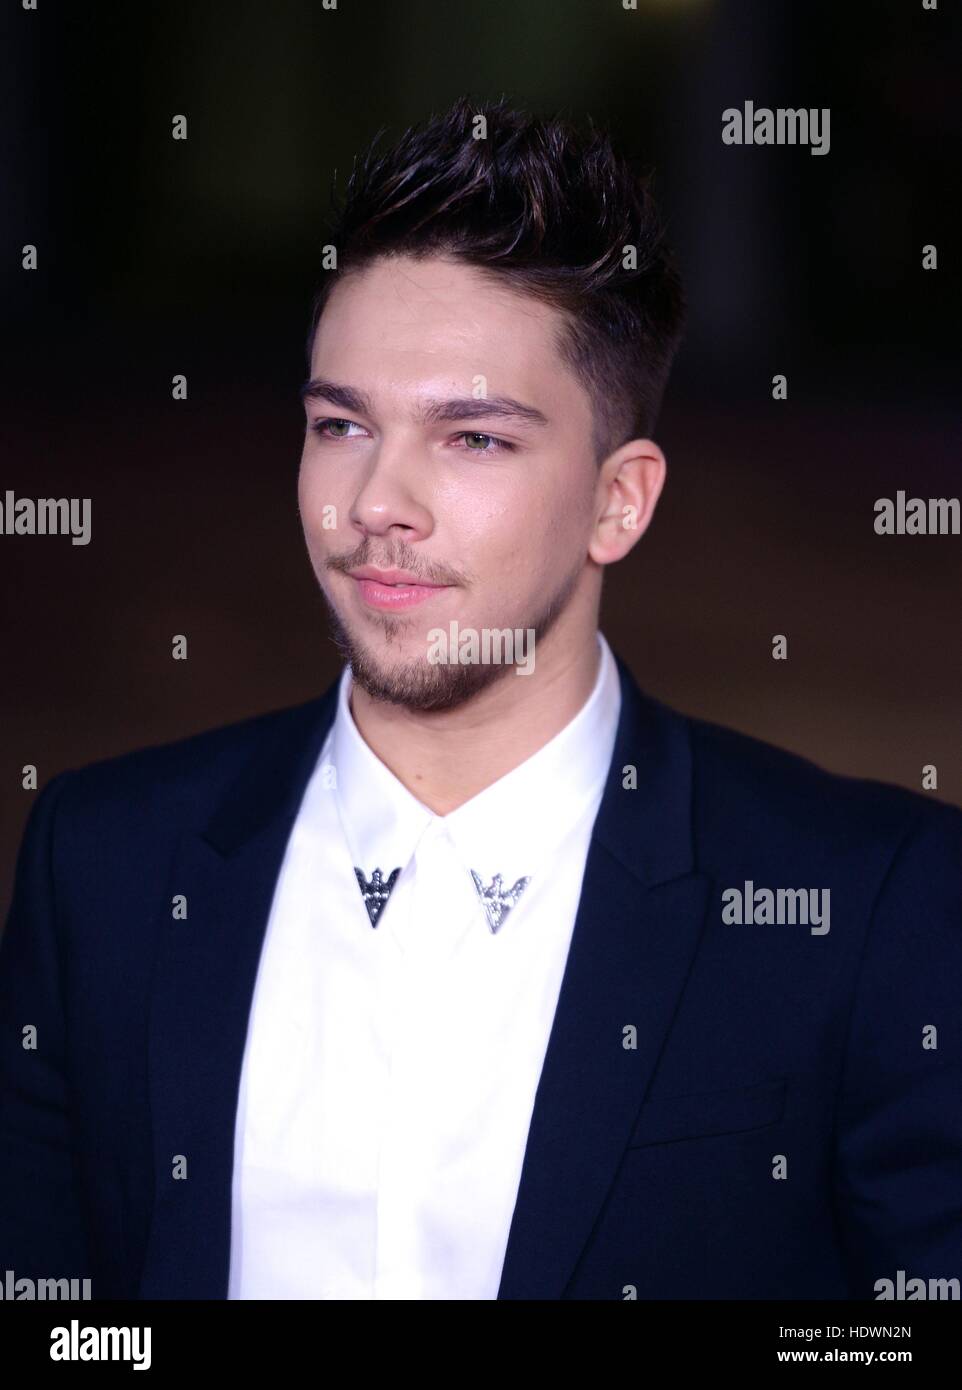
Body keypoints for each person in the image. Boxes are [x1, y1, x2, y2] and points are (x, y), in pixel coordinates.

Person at [2, 96, 960, 1302]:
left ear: (620, 500)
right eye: (340, 423)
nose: (376, 503)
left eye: (474, 440)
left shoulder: (865, 901)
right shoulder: (103, 865)